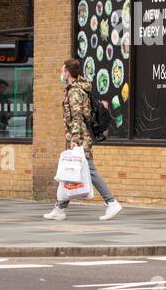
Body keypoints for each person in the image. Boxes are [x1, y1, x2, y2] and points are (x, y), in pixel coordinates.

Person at [43, 59, 122, 222]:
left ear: (68, 73)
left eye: (62, 71)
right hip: (79, 137)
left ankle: (112, 202)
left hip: (80, 138)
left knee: (90, 172)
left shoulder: (75, 92)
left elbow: (77, 117)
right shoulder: (78, 89)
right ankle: (60, 208)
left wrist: (74, 140)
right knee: (68, 170)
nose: (61, 74)